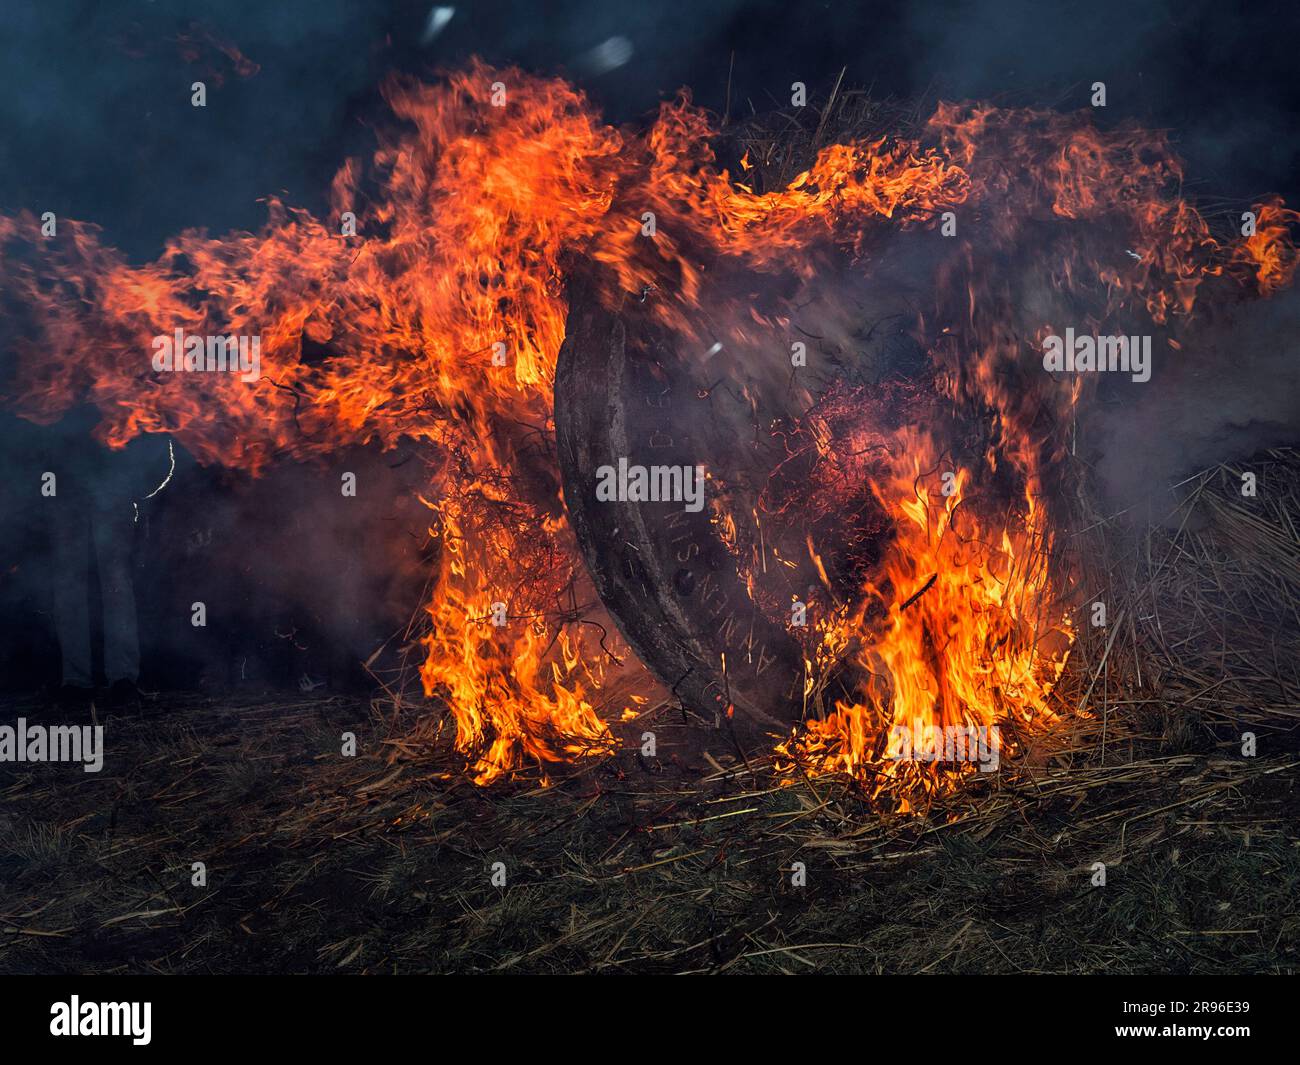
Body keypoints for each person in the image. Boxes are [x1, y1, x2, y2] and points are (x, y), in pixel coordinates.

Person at [44, 404, 171, 711]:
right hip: (66, 492)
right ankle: (76, 682)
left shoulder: (120, 380)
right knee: (69, 586)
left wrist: (133, 489)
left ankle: (123, 680)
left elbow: (155, 442)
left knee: (116, 585)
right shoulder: (59, 378)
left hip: (111, 493)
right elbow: (41, 434)